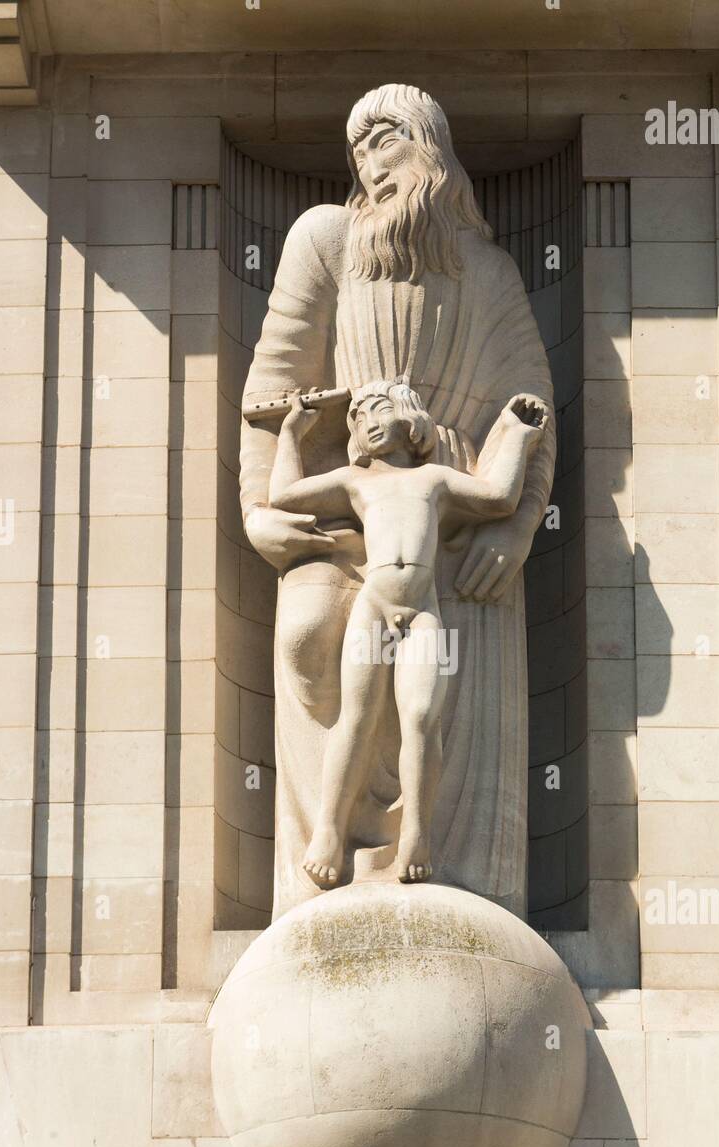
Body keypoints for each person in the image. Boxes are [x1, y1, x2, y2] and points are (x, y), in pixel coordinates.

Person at [240, 84, 556, 918]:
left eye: (381, 140)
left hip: (456, 527)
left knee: (428, 710)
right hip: (347, 517)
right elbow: (272, 384)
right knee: (310, 634)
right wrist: (260, 511)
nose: (367, 163)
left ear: (427, 145)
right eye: (355, 150)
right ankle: (327, 861)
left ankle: (441, 870)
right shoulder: (327, 240)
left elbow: (533, 405)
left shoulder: (491, 272)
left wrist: (520, 526)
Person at [269, 382, 549, 887]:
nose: (367, 422)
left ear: (408, 415)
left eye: (378, 409)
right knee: (357, 717)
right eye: (356, 417)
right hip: (374, 604)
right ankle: (329, 832)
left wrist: (515, 433)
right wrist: (292, 430)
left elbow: (500, 498)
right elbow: (283, 496)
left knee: (421, 716)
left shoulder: (435, 480)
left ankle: (417, 833)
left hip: (422, 610)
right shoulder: (356, 482)